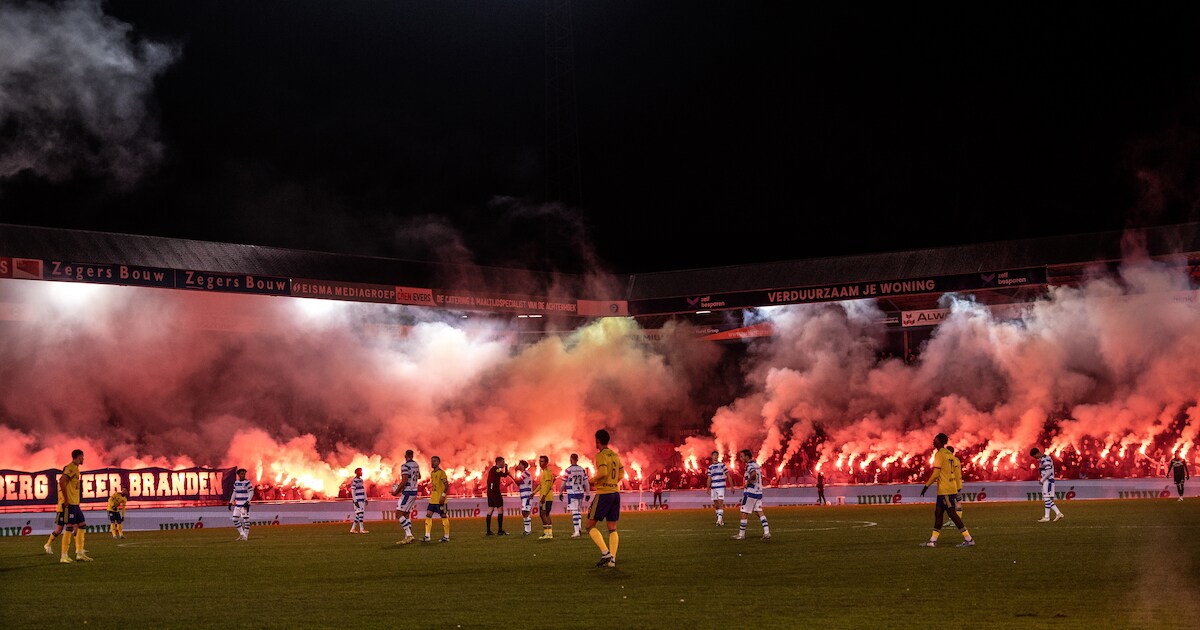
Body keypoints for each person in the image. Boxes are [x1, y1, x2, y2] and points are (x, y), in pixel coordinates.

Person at [919, 434, 974, 547]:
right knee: (938, 513)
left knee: (952, 514)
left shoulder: (939, 454)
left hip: (946, 490)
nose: (933, 441)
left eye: (935, 440)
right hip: (947, 488)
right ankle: (932, 541)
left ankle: (969, 539)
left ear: (939, 442)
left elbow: (936, 474)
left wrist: (926, 485)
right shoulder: (949, 454)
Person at [587, 429, 624, 568]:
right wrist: (613, 481)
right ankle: (612, 559)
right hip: (615, 493)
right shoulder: (615, 455)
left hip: (604, 494)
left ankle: (605, 553)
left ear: (597, 440)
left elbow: (603, 472)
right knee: (612, 528)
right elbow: (621, 473)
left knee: (589, 526)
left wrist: (591, 481)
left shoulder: (600, 455)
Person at [58, 450, 91, 562]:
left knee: (82, 524)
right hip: (70, 503)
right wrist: (66, 499)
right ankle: (64, 556)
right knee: (69, 527)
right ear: (79, 457)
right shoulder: (71, 468)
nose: (83, 459)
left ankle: (79, 553)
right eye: (83, 457)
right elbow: (62, 481)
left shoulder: (76, 469)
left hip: (75, 504)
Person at [733, 449, 771, 540]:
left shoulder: (749, 466)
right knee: (759, 512)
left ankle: (741, 535)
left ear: (747, 456)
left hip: (750, 492)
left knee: (744, 512)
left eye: (742, 456)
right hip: (758, 492)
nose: (741, 458)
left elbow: (753, 474)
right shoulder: (757, 465)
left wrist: (748, 482)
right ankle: (767, 532)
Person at [559, 453, 591, 538]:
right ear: (577, 459)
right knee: (578, 511)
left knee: (574, 512)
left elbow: (563, 484)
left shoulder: (568, 470)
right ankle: (579, 528)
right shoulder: (582, 470)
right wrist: (588, 493)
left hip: (572, 493)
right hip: (580, 492)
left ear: (571, 459)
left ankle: (577, 531)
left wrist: (560, 492)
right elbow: (586, 483)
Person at [1030, 448, 1065, 522]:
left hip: (1048, 481)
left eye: (1034, 456)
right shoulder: (1045, 458)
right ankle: (1057, 513)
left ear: (1037, 453)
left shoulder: (1045, 459)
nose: (1035, 458)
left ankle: (1047, 517)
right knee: (1047, 499)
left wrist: (1042, 480)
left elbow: (1048, 472)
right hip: (1047, 481)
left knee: (1047, 498)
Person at [395, 450, 421, 544]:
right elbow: (419, 476)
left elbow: (405, 480)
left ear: (405, 456)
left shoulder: (404, 466)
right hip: (414, 491)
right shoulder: (416, 465)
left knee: (398, 513)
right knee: (406, 515)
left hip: (407, 492)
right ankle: (407, 537)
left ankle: (409, 535)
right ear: (412, 456)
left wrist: (396, 491)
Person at [423, 456, 450, 542]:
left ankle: (446, 536)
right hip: (433, 499)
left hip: (441, 499)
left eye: (434, 461)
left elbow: (446, 486)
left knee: (443, 516)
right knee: (428, 514)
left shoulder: (441, 473)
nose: (432, 463)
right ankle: (427, 536)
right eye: (431, 461)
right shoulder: (432, 473)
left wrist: (443, 496)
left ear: (438, 462)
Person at [484, 456, 511, 536]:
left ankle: (488, 531)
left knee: (490, 510)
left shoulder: (493, 470)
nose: (504, 463)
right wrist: (506, 468)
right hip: (495, 491)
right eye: (503, 462)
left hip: (490, 491)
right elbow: (504, 475)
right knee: (500, 509)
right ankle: (500, 530)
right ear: (499, 462)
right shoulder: (496, 469)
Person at [534, 455, 555, 539]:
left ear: (546, 463)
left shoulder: (547, 472)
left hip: (547, 497)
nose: (540, 463)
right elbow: (541, 485)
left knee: (544, 514)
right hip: (544, 497)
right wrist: (533, 493)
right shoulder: (543, 472)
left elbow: (547, 486)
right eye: (540, 461)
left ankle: (548, 534)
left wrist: (543, 496)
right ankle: (547, 533)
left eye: (542, 461)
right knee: (544, 514)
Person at [229, 468, 253, 541]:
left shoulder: (248, 482)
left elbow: (251, 492)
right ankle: (242, 534)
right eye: (242, 473)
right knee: (234, 519)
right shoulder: (236, 483)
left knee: (246, 520)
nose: (243, 474)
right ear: (238, 474)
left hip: (244, 505)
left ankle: (245, 536)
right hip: (237, 505)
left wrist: (248, 501)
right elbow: (234, 493)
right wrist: (230, 502)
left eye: (244, 473)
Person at [513, 460, 536, 536]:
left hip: (527, 495)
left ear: (523, 466)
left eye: (519, 464)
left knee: (525, 512)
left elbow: (517, 482)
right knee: (525, 512)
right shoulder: (524, 473)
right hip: (524, 495)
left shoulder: (525, 473)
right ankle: (527, 530)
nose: (518, 465)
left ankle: (528, 530)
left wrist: (514, 473)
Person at [707, 450, 729, 526]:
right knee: (716, 504)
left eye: (717, 455)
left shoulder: (722, 465)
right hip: (713, 487)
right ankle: (720, 520)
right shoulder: (710, 467)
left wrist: (732, 486)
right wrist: (708, 487)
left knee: (720, 502)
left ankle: (719, 520)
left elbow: (728, 475)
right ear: (712, 456)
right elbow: (709, 478)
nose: (715, 456)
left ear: (718, 456)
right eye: (714, 455)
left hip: (721, 487)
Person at [946, 446, 964, 526]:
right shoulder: (949, 461)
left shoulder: (954, 461)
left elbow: (955, 473)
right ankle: (951, 519)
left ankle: (957, 520)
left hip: (955, 484)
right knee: (949, 503)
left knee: (957, 502)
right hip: (950, 484)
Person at [349, 468, 369, 533]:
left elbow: (363, 490)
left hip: (362, 499)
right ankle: (361, 529)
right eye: (361, 472)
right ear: (357, 472)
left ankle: (353, 529)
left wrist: (366, 498)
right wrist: (355, 501)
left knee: (358, 514)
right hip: (358, 499)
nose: (362, 473)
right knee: (361, 513)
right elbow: (352, 491)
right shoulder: (354, 481)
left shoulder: (361, 480)